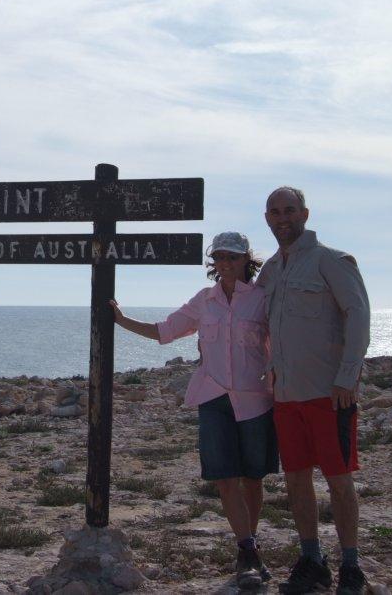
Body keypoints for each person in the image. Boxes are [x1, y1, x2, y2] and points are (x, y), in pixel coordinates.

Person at [110, 231, 277, 590]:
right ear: (213, 262)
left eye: (232, 256)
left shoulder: (263, 299)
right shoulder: (205, 300)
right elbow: (165, 331)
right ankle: (247, 550)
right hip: (213, 398)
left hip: (254, 399)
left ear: (246, 260)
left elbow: (280, 343)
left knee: (253, 478)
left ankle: (251, 547)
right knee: (224, 477)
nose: (225, 263)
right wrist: (122, 321)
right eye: (220, 257)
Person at [258, 186, 371, 595]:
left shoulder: (331, 261)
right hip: (285, 397)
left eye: (289, 210)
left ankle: (351, 566)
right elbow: (258, 324)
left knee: (339, 482)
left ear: (304, 214)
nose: (283, 218)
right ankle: (312, 560)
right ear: (267, 218)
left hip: (329, 393)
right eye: (275, 212)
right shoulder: (270, 270)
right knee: (296, 481)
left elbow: (358, 314)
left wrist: (348, 376)